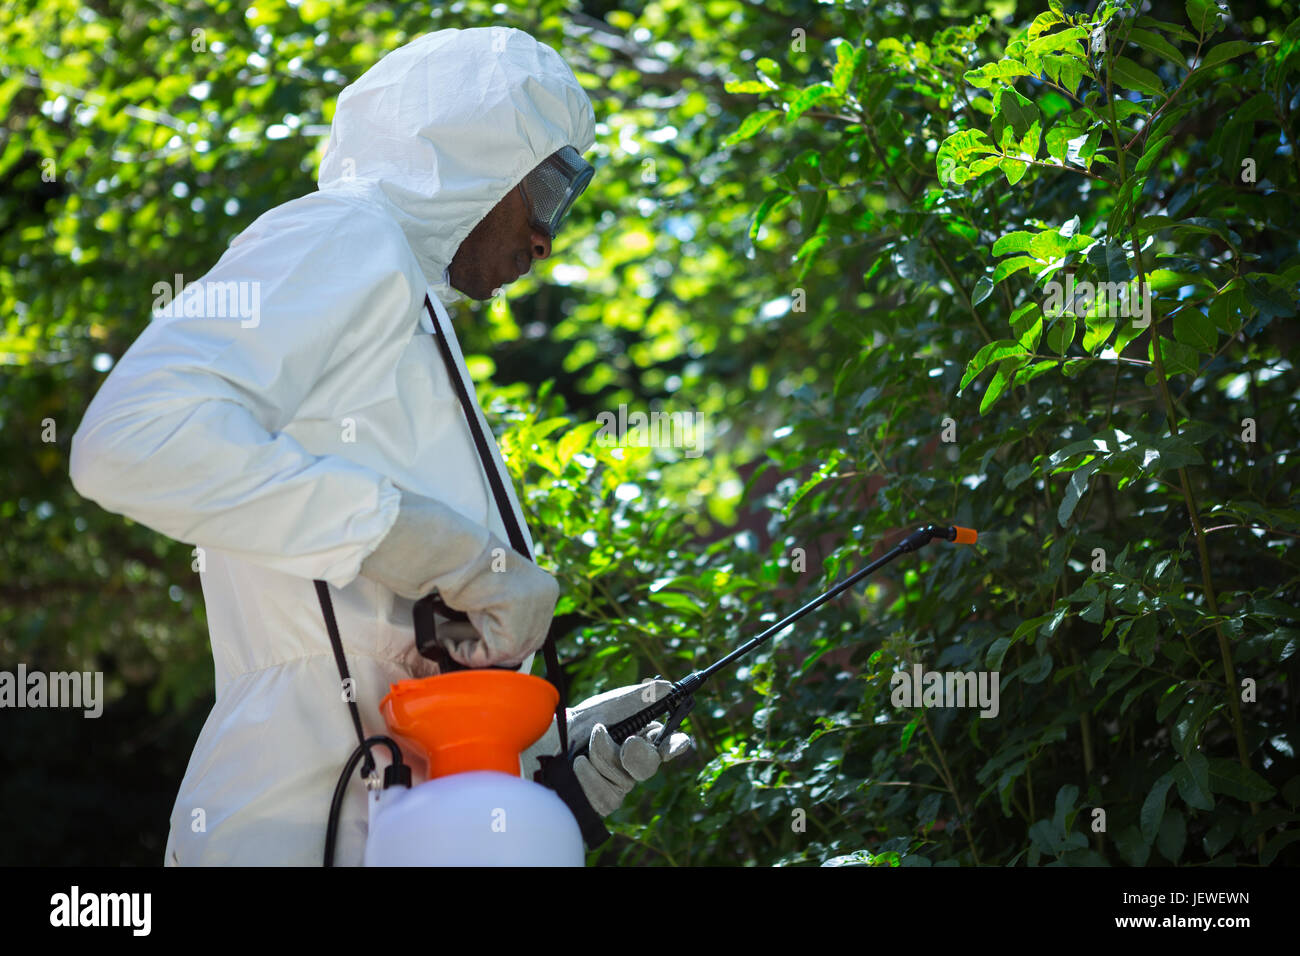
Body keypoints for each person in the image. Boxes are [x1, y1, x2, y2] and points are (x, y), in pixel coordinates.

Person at [69, 26, 688, 867]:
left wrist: (543, 758)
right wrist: (432, 547)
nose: (546, 237)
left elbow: (377, 655)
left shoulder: (409, 302)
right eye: (548, 188)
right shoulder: (348, 236)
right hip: (297, 825)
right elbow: (134, 440)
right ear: (470, 150)